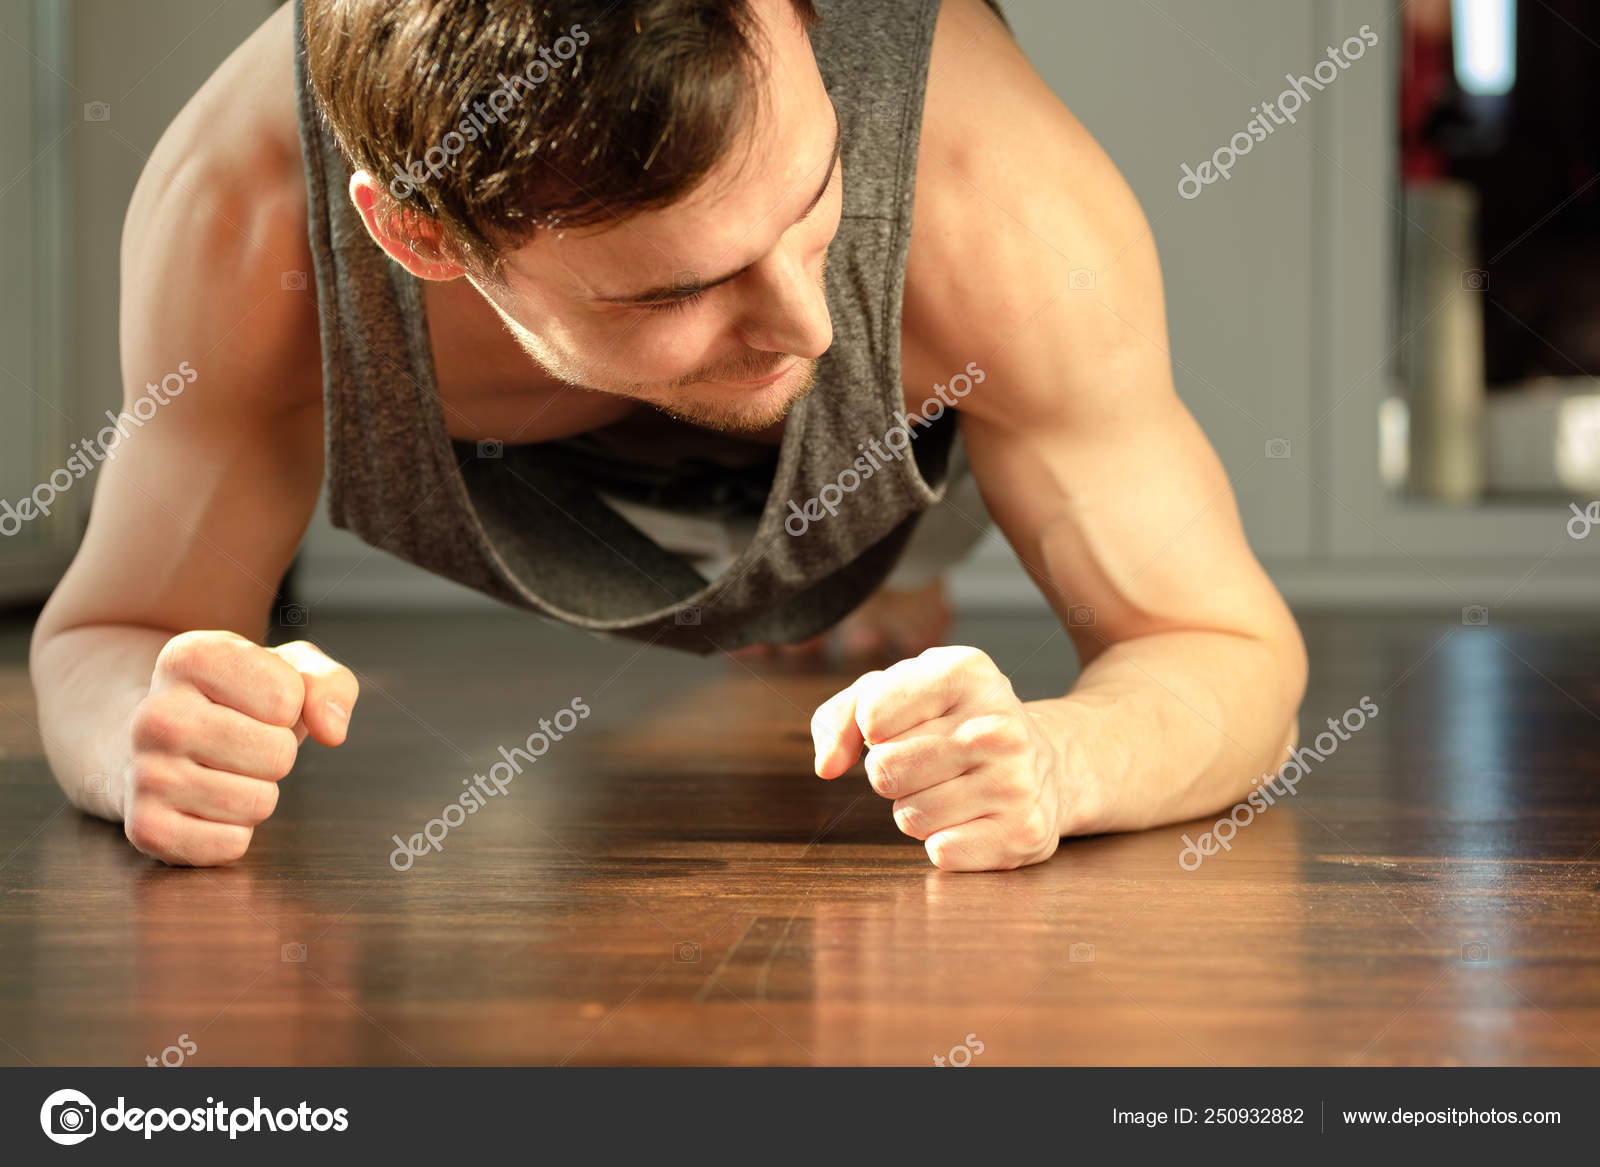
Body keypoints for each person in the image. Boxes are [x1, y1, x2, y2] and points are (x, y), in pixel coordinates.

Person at [27, 0, 1307, 873]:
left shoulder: (997, 202)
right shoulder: (248, 219)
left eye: (814, 198)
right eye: (675, 289)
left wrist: (1061, 761)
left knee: (892, 543)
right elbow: (107, 629)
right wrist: (145, 731)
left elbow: (1222, 647)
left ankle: (902, 559)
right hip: (514, 434)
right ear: (415, 233)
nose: (803, 321)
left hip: (917, 404)